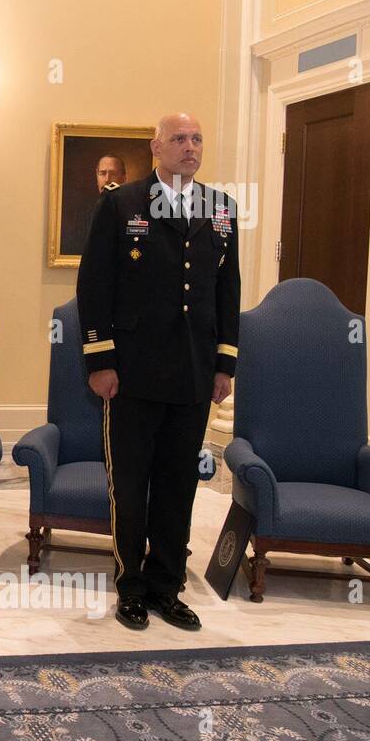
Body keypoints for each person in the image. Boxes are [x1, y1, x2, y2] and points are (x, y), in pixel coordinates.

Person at [77, 112, 240, 632]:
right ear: (156, 147)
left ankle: (166, 584)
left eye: (196, 138)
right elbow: (95, 287)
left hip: (193, 374)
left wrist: (225, 363)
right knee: (130, 483)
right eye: (178, 139)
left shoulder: (221, 209)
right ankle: (130, 586)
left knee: (178, 485)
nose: (189, 147)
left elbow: (227, 291)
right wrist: (100, 360)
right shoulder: (122, 203)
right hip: (132, 374)